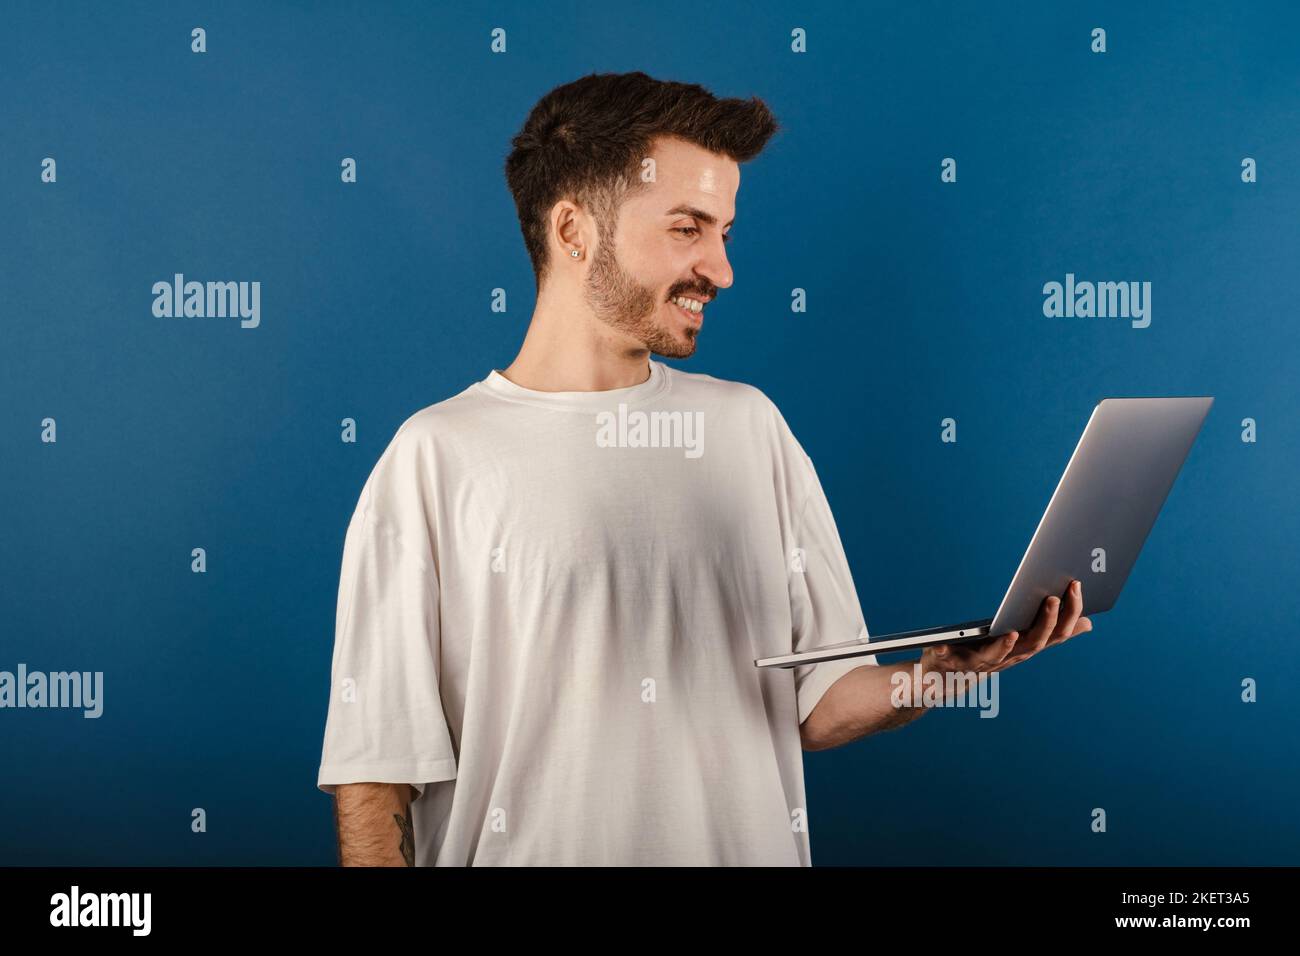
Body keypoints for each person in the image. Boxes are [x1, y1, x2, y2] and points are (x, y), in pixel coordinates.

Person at [315, 71, 1092, 866]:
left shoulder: (748, 426)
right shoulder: (436, 456)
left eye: (724, 233)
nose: (719, 270)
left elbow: (821, 703)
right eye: (687, 229)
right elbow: (376, 775)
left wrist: (937, 676)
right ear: (574, 229)